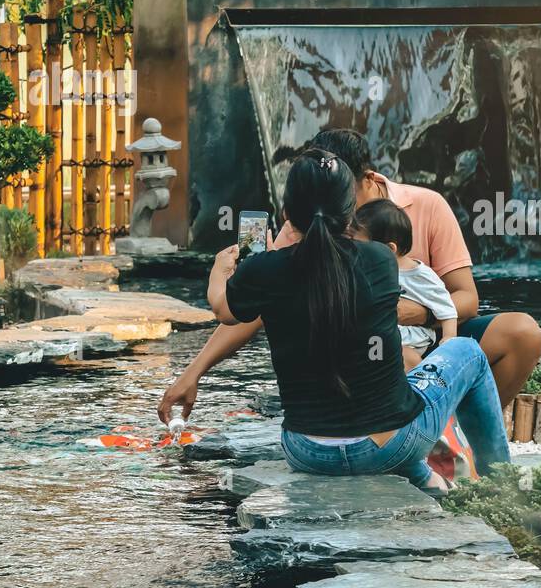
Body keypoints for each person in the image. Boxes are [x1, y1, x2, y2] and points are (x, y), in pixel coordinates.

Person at [159, 128, 541, 420]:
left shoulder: (426, 205)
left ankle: (452, 426)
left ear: (367, 178)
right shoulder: (309, 222)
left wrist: (419, 313)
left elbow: (467, 298)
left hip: (434, 333)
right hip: (361, 353)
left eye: (341, 187)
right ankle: (422, 431)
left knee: (521, 332)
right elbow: (255, 306)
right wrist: (194, 372)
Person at [202, 148, 509, 495]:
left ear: (287, 214)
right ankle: (502, 485)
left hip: (307, 452)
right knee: (468, 351)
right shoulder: (379, 258)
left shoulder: (264, 270)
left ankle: (426, 478)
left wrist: (221, 272)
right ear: (350, 213)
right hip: (387, 444)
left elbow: (223, 310)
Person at [352, 198, 458, 357]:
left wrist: (449, 337)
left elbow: (446, 308)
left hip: (414, 336)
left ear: (388, 249)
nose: (353, 249)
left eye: (359, 245)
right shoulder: (366, 268)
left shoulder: (419, 275)